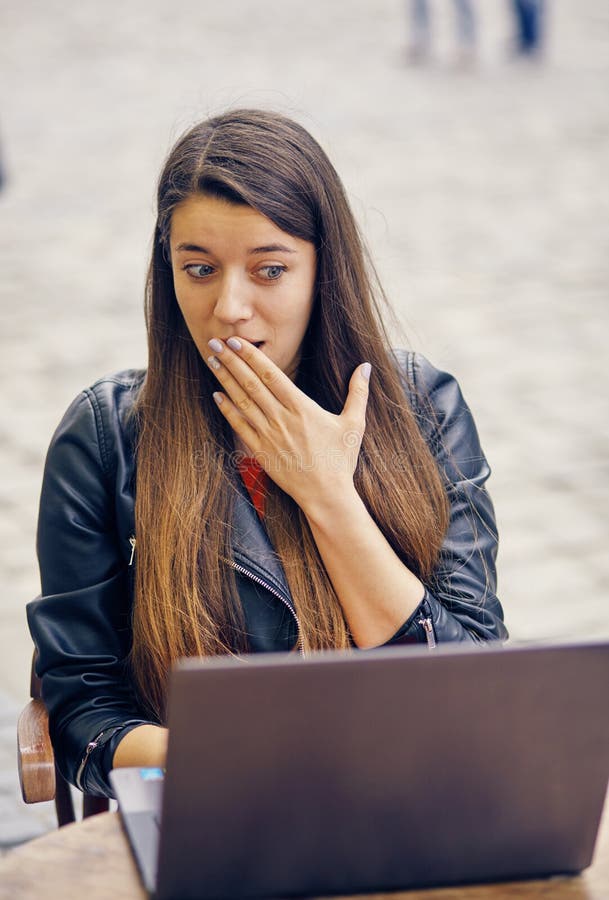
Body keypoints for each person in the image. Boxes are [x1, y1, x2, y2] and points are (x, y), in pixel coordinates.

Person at [27, 109, 508, 799]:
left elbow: (475, 688)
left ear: (322, 271)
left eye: (269, 270)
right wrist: (247, 755)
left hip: (411, 796)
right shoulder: (105, 436)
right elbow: (83, 711)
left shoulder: (420, 408)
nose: (228, 307)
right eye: (197, 269)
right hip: (209, 808)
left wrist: (326, 495)